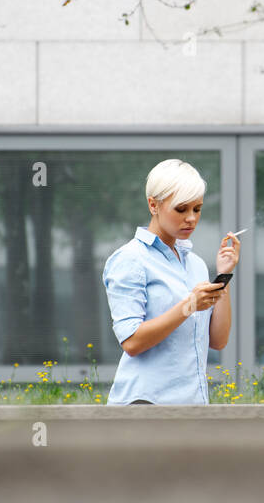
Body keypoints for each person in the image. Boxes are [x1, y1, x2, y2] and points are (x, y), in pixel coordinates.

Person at [102, 159, 239, 405]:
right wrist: (189, 305)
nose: (191, 218)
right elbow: (132, 342)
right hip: (145, 404)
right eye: (181, 209)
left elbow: (218, 341)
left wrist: (224, 276)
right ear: (153, 205)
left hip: (192, 406)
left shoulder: (195, 264)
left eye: (197, 209)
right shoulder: (130, 259)